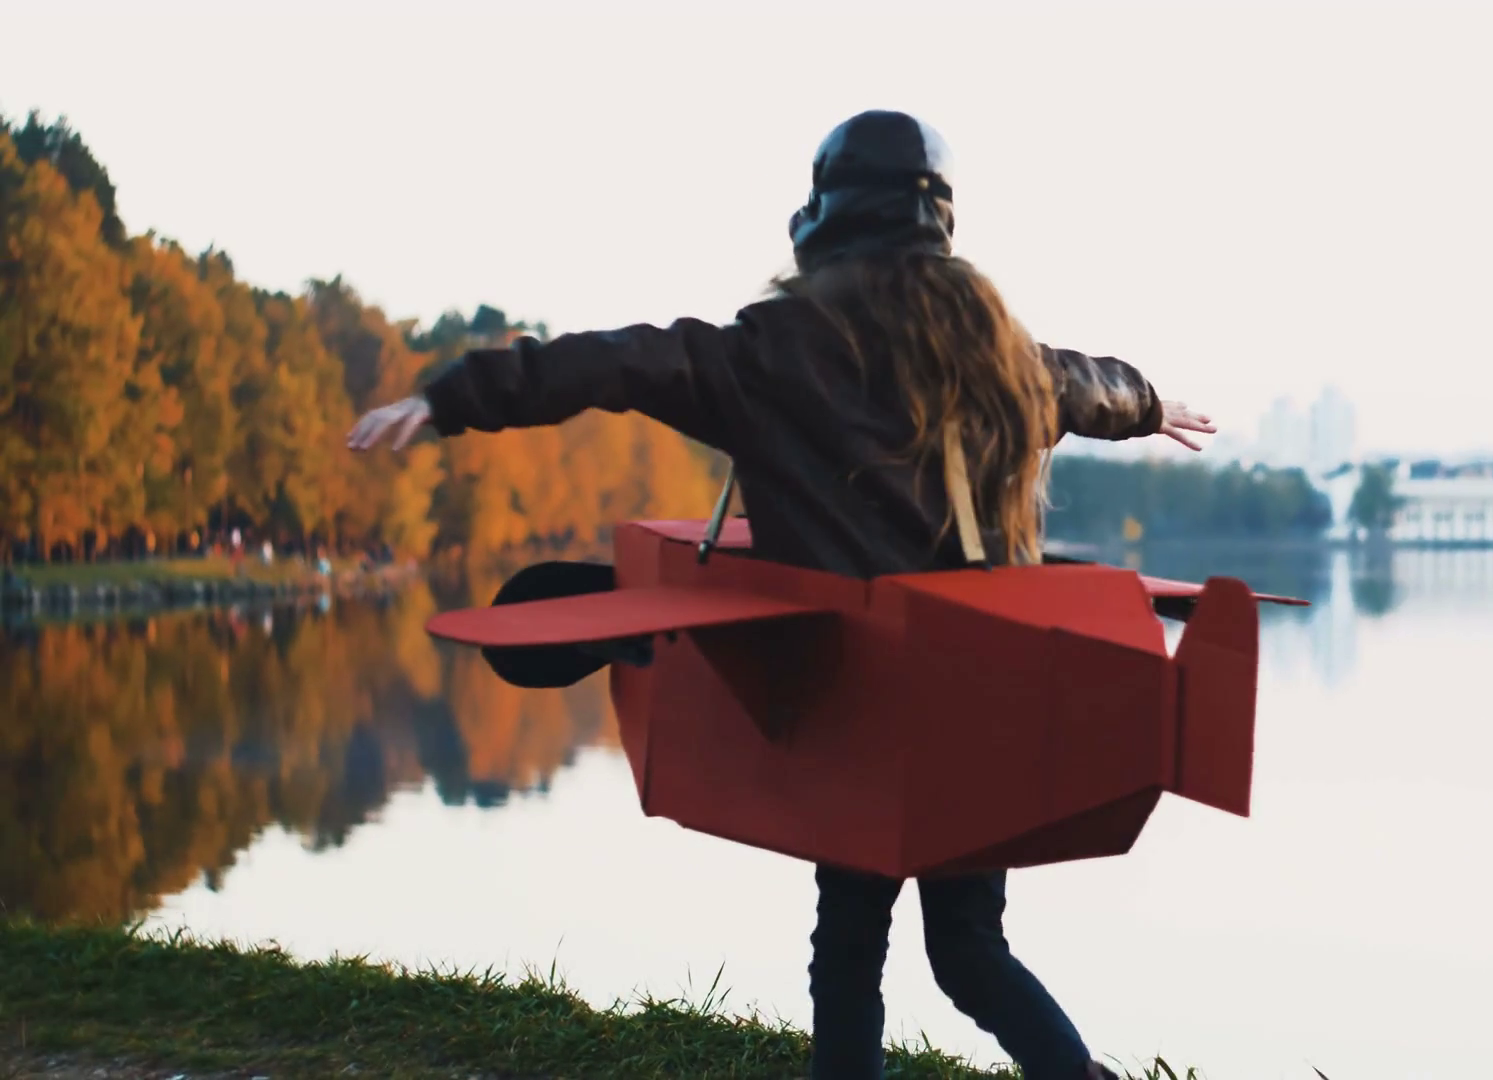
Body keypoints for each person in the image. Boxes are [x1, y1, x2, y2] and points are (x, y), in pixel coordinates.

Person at [347, 109, 1214, 1080]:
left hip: (860, 706)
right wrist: (1149, 403)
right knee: (971, 952)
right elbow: (1080, 384)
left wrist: (451, 398)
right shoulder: (996, 353)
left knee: (848, 952)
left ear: (825, 214)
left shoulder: (772, 351)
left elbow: (615, 361)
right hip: (985, 704)